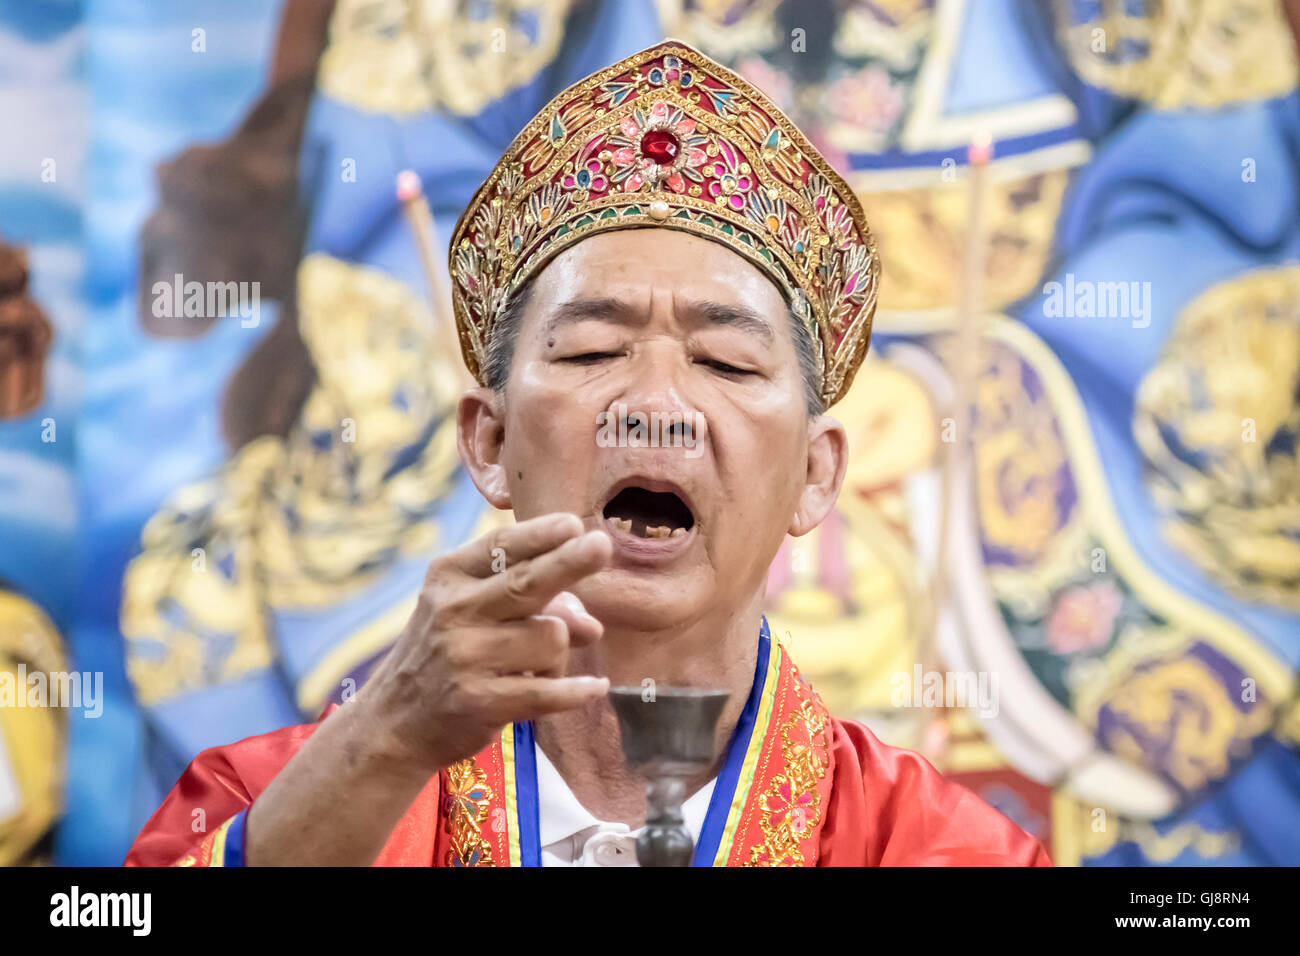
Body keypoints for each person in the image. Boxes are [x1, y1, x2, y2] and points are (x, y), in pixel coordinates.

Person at [126, 39, 1049, 867]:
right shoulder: (270, 808)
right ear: (489, 443)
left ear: (816, 474)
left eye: (725, 360)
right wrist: (386, 740)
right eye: (592, 351)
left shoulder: (943, 850)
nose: (654, 407)